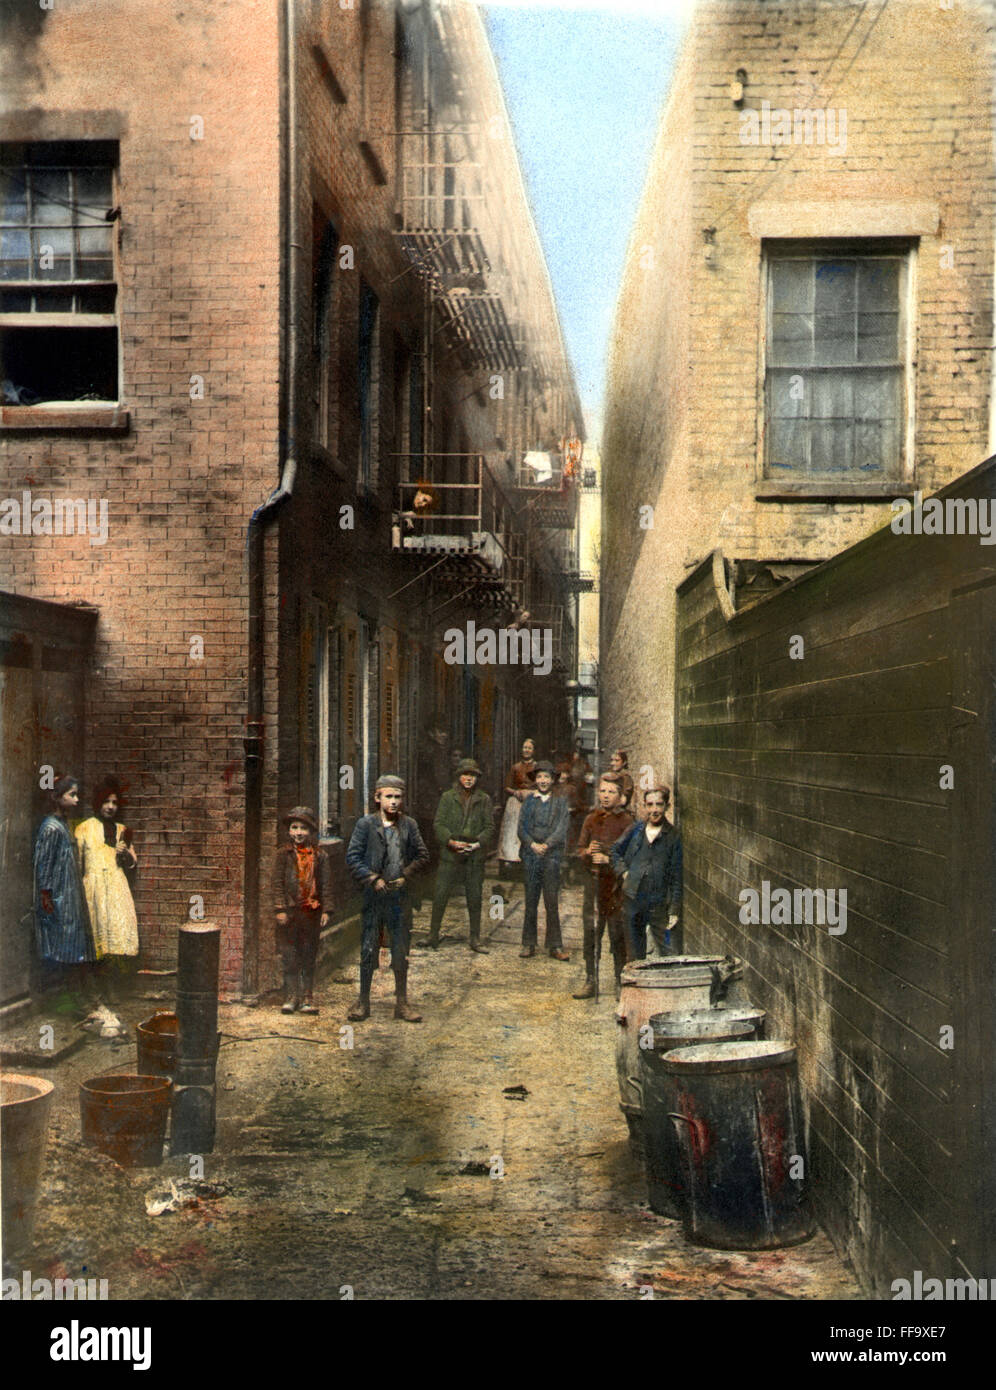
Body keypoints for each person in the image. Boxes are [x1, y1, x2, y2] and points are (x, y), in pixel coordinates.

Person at [345, 775, 429, 1022]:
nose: (393, 802)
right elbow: (353, 858)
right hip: (373, 897)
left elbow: (423, 855)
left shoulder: (409, 825)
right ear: (377, 798)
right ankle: (363, 1002)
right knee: (369, 947)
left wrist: (405, 875)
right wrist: (373, 879)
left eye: (398, 797)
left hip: (399, 897)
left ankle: (401, 1003)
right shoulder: (365, 825)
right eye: (389, 797)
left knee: (401, 949)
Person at [33, 775, 97, 1015]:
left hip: (69, 894)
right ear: (57, 797)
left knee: (74, 945)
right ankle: (67, 1001)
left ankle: (80, 997)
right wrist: (46, 896)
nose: (77, 799)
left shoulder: (63, 824)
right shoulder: (50, 828)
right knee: (63, 947)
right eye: (72, 794)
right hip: (58, 897)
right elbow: (44, 865)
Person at [75, 776, 139, 1004]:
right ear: (97, 803)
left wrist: (124, 854)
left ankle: (112, 989)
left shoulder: (123, 830)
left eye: (114, 802)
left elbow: (132, 864)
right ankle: (93, 992)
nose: (110, 807)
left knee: (115, 939)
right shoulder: (84, 828)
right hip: (93, 889)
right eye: (105, 802)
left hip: (115, 888)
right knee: (95, 941)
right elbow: (79, 864)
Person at [572, 773, 634, 998]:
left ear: (620, 797)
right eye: (603, 791)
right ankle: (591, 979)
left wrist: (608, 859)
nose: (606, 796)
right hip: (593, 885)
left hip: (616, 888)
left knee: (617, 932)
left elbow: (632, 857)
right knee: (591, 932)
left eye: (611, 792)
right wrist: (587, 853)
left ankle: (620, 981)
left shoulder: (627, 822)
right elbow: (578, 849)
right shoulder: (591, 819)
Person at [427, 758, 493, 952]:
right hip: (451, 852)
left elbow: (489, 827)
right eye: (465, 774)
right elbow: (438, 824)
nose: (468, 779)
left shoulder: (484, 799)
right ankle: (433, 935)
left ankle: (474, 938)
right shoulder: (448, 797)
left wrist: (476, 844)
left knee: (474, 896)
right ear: (458, 777)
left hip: (473, 855)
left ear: (477, 778)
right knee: (440, 894)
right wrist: (450, 841)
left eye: (472, 775)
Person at [610, 786, 682, 961]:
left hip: (658, 904)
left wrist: (673, 910)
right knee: (634, 953)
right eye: (650, 805)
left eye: (659, 804)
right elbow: (614, 851)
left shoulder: (673, 836)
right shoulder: (635, 830)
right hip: (633, 900)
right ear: (644, 806)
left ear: (667, 806)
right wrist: (624, 872)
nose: (654, 809)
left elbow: (676, 876)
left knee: (669, 951)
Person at [273, 806, 332, 1015]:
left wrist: (327, 910)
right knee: (289, 955)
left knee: (308, 953)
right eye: (294, 827)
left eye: (303, 828)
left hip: (311, 912)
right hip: (290, 913)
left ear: (311, 831)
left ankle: (307, 997)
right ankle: (291, 996)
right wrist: (280, 908)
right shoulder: (283, 855)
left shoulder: (320, 856)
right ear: (289, 831)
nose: (298, 833)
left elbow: (326, 885)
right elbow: (278, 884)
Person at [517, 760, 570, 961]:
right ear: (535, 780)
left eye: (547, 777)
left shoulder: (560, 802)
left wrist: (547, 845)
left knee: (551, 901)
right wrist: (532, 845)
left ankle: (555, 946)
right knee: (531, 900)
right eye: (539, 777)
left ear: (553, 780)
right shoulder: (529, 801)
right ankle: (528, 943)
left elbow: (561, 828)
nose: (543, 781)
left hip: (551, 857)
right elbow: (521, 828)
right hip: (531, 856)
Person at [497, 738, 537, 871]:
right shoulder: (515, 767)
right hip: (517, 801)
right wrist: (516, 792)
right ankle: (510, 858)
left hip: (532, 801)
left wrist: (530, 793)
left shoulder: (537, 767)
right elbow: (507, 786)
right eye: (525, 747)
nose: (526, 750)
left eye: (529, 748)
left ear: (533, 751)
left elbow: (542, 785)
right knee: (512, 829)